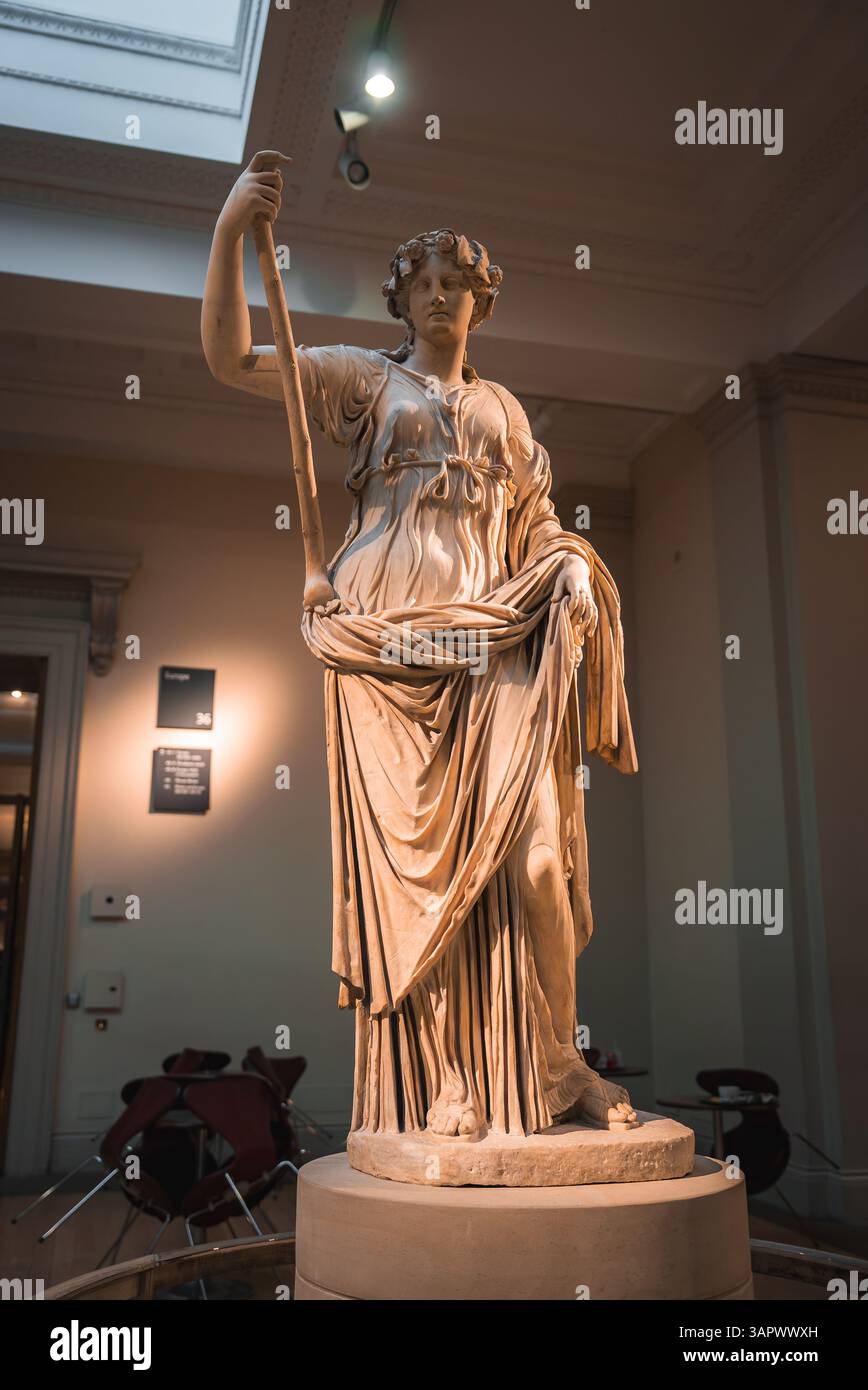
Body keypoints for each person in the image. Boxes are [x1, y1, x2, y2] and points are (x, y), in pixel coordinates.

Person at [202, 152, 639, 1140]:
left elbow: (537, 535)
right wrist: (231, 229)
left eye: (458, 284)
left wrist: (571, 569)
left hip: (492, 643)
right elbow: (233, 361)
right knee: (424, 876)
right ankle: (446, 1076)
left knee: (535, 863)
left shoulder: (505, 412)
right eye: (423, 284)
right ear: (401, 302)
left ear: (481, 301)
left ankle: (560, 1063)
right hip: (390, 646)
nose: (440, 297)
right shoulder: (362, 380)